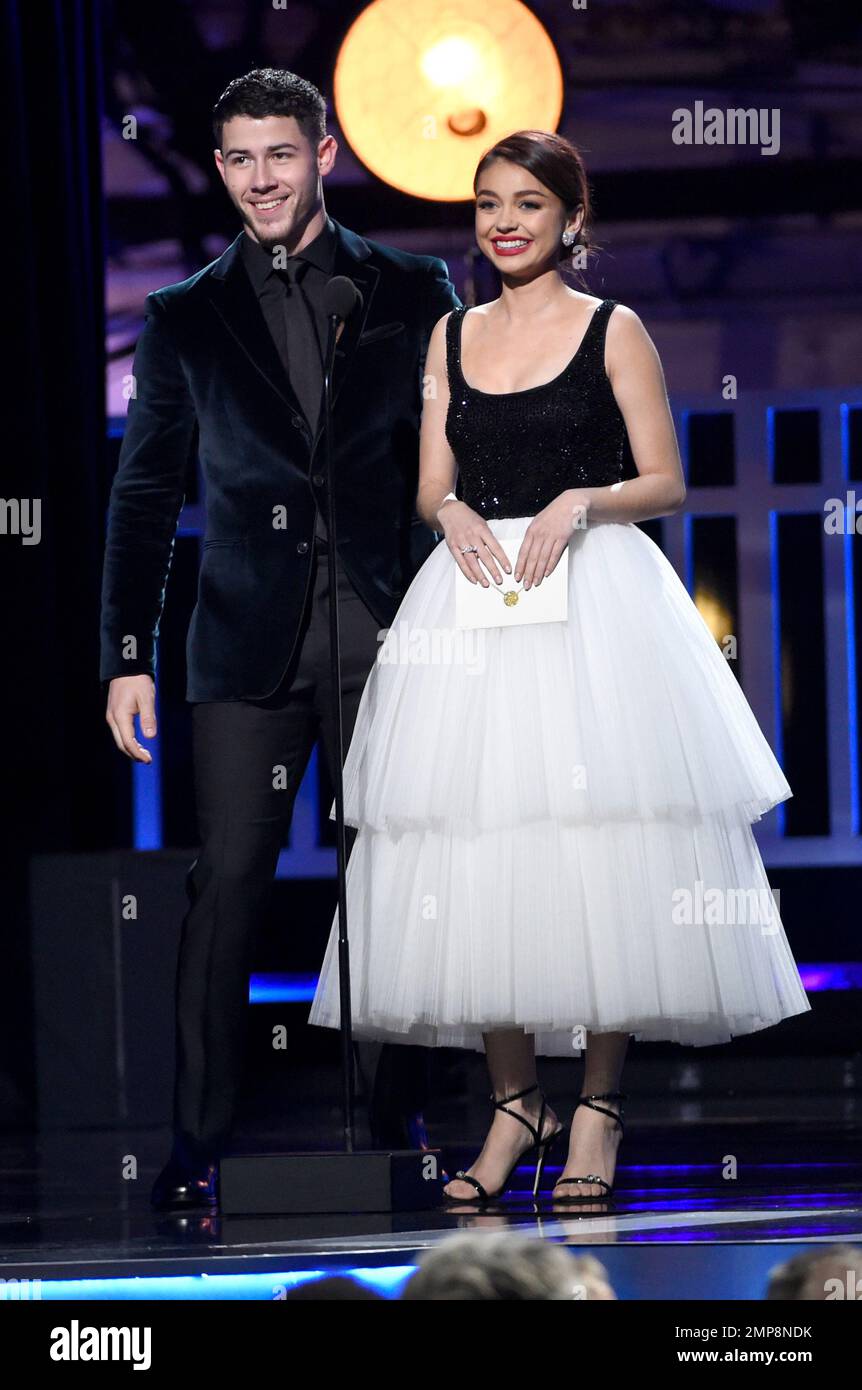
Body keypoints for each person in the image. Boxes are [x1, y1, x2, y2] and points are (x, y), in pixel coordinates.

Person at [308, 129, 811, 1205]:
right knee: (478, 849)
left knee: (600, 851)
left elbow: (665, 478)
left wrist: (583, 499)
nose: (504, 221)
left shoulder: (612, 329)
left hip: (592, 597)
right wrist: (443, 509)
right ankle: (510, 1105)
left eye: (529, 203)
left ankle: (595, 1109)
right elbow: (429, 481)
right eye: (489, 202)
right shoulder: (450, 335)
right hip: (479, 600)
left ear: (571, 220)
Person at [100, 68, 460, 1209]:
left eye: (281, 154)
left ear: (325, 154)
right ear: (222, 171)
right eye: (240, 160)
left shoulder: (410, 286)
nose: (262, 178)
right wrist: (125, 652)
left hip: (385, 631)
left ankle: (396, 1123)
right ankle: (196, 1142)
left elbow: (456, 455)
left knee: (393, 878)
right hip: (245, 643)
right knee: (231, 885)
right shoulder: (182, 316)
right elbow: (144, 491)